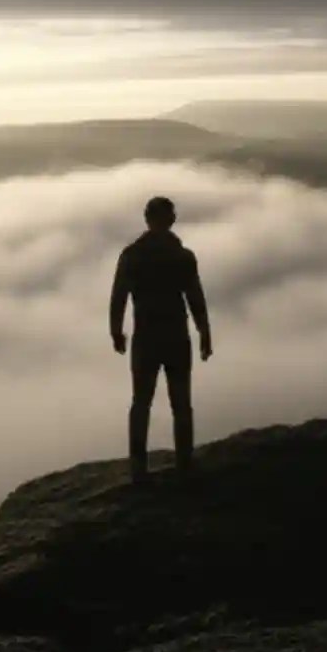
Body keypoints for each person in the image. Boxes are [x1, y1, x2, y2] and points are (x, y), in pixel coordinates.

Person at [110, 197, 213, 484]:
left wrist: (116, 330)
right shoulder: (181, 256)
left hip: (146, 337)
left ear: (147, 219)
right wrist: (204, 331)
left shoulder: (133, 255)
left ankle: (138, 466)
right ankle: (184, 463)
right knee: (180, 403)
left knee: (141, 401)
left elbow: (119, 296)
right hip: (176, 337)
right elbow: (194, 297)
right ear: (171, 220)